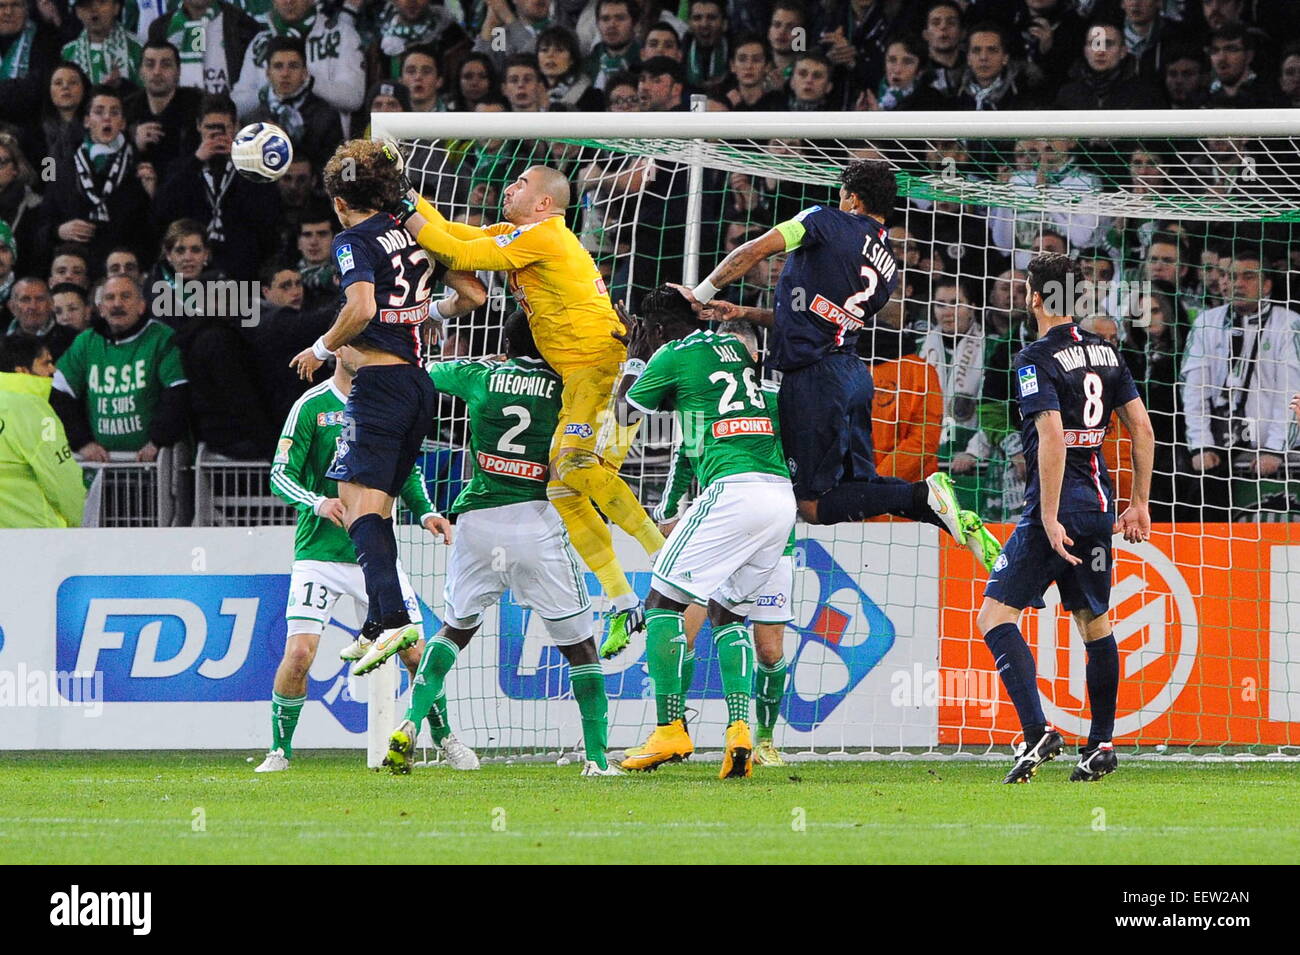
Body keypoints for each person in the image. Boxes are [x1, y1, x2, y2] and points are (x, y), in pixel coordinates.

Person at [398, 162, 668, 660]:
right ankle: (623, 601)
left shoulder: (546, 236)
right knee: (562, 488)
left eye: (521, 183)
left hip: (606, 369)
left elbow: (458, 253)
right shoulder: (519, 233)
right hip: (578, 378)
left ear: (544, 202)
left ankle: (665, 555)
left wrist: (401, 206)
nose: (509, 187)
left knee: (575, 466)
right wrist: (410, 198)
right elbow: (453, 234)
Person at [674, 159, 1001, 569]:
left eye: (842, 193)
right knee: (859, 486)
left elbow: (756, 249)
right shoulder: (888, 268)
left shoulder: (822, 220)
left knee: (810, 505)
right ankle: (935, 508)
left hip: (813, 379)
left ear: (853, 198)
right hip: (852, 375)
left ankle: (923, 495)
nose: (839, 199)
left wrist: (701, 293)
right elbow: (817, 318)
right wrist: (741, 312)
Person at [385, 312, 618, 777]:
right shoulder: (566, 385)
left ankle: (410, 723)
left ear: (505, 345)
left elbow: (427, 370)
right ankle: (596, 761)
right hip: (535, 521)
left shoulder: (482, 376)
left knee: (454, 630)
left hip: (476, 522)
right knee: (580, 649)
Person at [289, 140, 485, 678]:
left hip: (377, 387)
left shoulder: (353, 240)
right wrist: (425, 312)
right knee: (376, 505)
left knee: (358, 508)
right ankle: (379, 622)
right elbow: (474, 296)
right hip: (420, 386)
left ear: (338, 201)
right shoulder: (413, 232)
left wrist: (322, 348)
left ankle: (394, 619)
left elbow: (361, 307)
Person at [978, 252, 1155, 785]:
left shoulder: (1034, 357)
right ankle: (1100, 744)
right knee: (1094, 622)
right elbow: (1143, 430)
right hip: (1100, 509)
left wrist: (1049, 517)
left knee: (995, 617)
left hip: (1055, 510)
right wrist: (1139, 502)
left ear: (1035, 296)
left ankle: (1037, 732)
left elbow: (1051, 436)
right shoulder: (1106, 352)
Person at [611, 286, 796, 779]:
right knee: (729, 612)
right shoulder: (734, 347)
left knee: (662, 605)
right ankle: (739, 732)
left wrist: (633, 359)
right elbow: (693, 410)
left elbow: (625, 416)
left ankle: (670, 728)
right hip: (779, 496)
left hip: (731, 490)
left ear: (652, 331)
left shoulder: (669, 354)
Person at [258, 347, 450, 773]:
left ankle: (446, 739)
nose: (368, 353)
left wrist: (427, 512)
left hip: (376, 555)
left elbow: (408, 470)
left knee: (416, 654)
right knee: (300, 654)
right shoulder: (311, 406)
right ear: (339, 348)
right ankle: (279, 751)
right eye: (361, 344)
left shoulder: (387, 403)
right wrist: (317, 502)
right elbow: (279, 472)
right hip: (320, 555)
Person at [1180, 248, 1300, 519]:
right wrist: (1201, 443)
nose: (1237, 283)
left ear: (1267, 284)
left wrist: (1275, 448)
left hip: (1275, 457)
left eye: (1248, 276)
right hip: (1219, 452)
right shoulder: (1205, 323)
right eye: (1231, 276)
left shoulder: (1289, 324)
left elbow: (1292, 392)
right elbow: (1193, 388)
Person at [52, 274, 188, 462]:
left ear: (141, 306)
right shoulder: (86, 341)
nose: (117, 304)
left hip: (153, 465)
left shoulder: (162, 338)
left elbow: (178, 393)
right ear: (101, 309)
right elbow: (60, 394)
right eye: (110, 298)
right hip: (102, 466)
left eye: (125, 296)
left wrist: (158, 441)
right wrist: (81, 442)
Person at [0, 335, 85, 529]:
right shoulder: (36, 412)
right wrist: (80, 521)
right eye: (45, 363)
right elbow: (60, 476)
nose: (53, 370)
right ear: (22, 370)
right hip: (36, 535)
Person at [239, 36, 344, 172]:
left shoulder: (327, 117)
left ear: (305, 72)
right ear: (267, 73)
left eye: (293, 66)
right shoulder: (251, 120)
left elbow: (335, 173)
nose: (285, 74)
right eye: (278, 66)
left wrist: (289, 145)